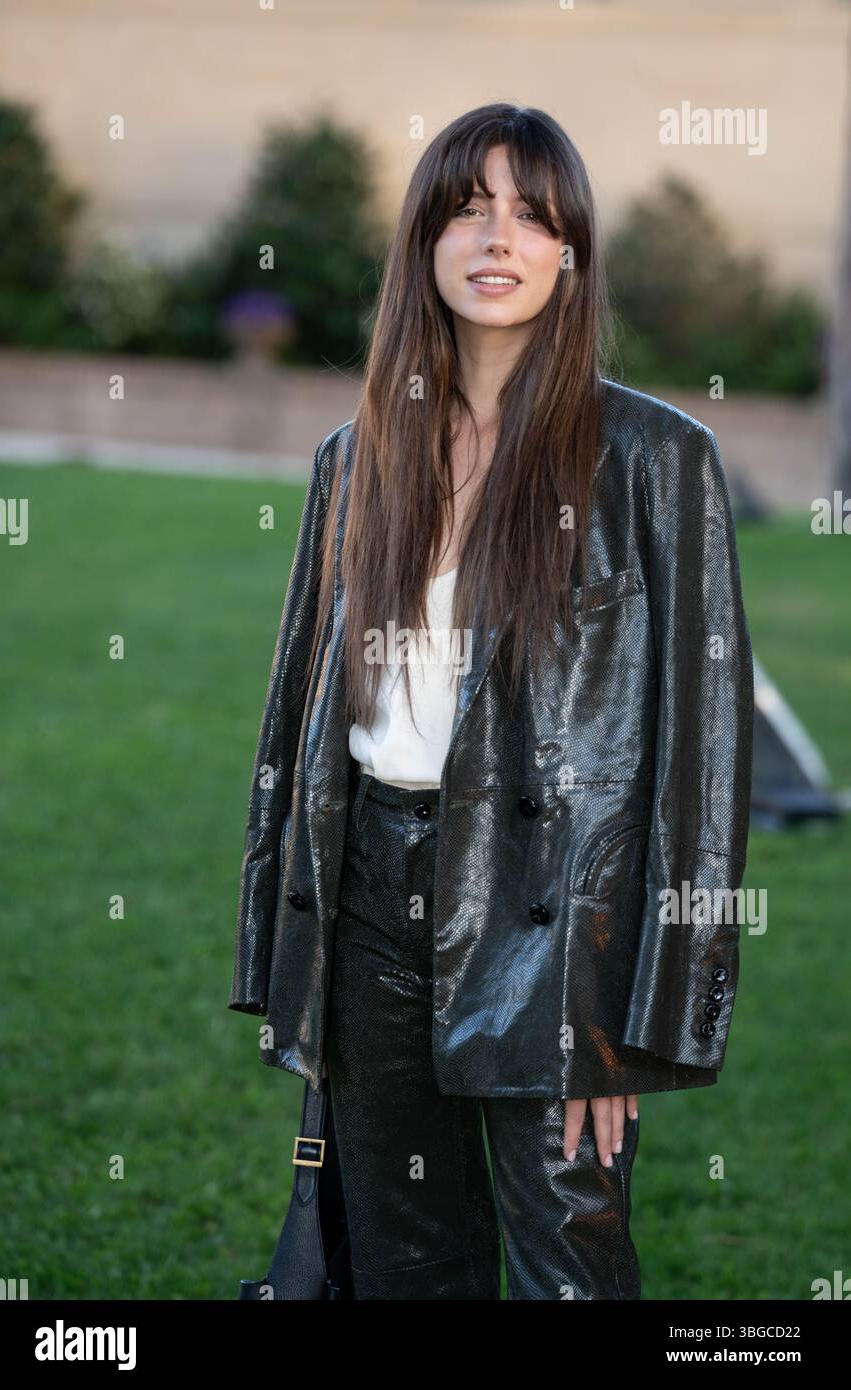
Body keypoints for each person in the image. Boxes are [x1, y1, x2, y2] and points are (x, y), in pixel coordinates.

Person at [228, 102, 754, 1301]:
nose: (495, 236)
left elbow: (700, 756)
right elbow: (296, 720)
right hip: (368, 891)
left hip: (557, 926)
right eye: (466, 207)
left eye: (530, 212)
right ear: (424, 241)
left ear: (568, 250)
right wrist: (286, 938)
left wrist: (636, 1019)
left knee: (568, 1261)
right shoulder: (355, 455)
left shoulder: (652, 459)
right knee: (410, 1262)